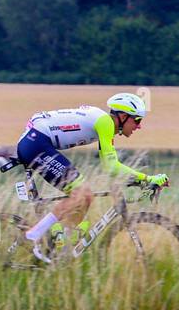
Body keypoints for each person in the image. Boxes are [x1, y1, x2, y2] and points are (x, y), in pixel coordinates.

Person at [15, 92, 169, 263]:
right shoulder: (105, 122)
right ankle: (32, 235)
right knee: (81, 193)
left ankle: (61, 249)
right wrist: (147, 179)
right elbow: (111, 166)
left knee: (85, 198)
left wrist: (139, 180)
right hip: (36, 143)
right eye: (137, 120)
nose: (138, 126)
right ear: (124, 116)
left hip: (35, 141)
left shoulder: (103, 121)